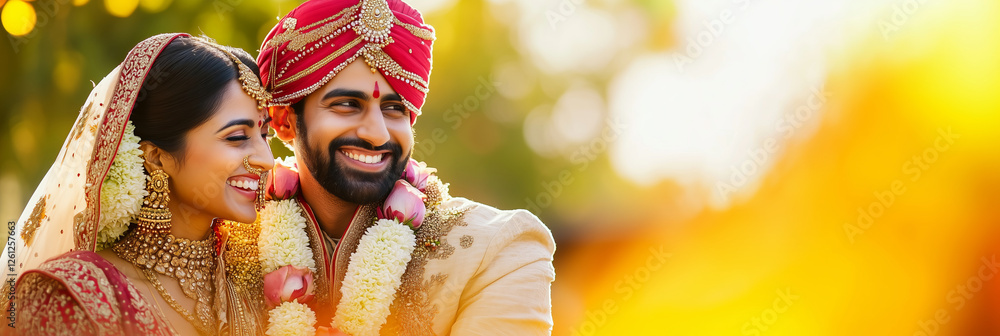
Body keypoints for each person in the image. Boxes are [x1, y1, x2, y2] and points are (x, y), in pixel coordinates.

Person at [254, 0, 556, 334]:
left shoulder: (499, 249)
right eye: (347, 105)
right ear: (283, 121)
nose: (376, 134)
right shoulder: (230, 243)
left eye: (394, 108)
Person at [2, 33, 274, 336]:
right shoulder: (72, 295)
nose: (267, 159)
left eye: (265, 136)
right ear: (157, 157)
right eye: (237, 137)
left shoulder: (262, 281)